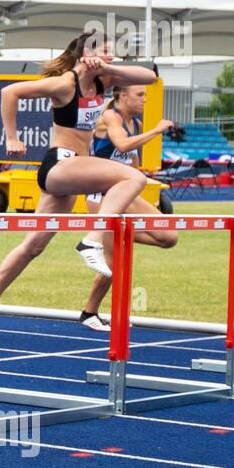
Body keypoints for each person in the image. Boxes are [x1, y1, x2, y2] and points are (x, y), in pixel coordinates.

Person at [0, 31, 159, 338]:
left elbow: (149, 77)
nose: (112, 58)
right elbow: (10, 92)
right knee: (133, 177)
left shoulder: (103, 81)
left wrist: (110, 69)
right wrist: (12, 136)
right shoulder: (66, 83)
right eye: (107, 53)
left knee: (33, 246)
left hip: (75, 170)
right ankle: (92, 239)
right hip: (60, 165)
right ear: (86, 54)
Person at [78, 84, 177, 330]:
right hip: (101, 195)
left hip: (125, 194)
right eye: (140, 95)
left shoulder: (137, 125)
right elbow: (121, 145)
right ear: (123, 96)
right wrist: (157, 130)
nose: (144, 100)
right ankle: (89, 313)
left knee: (168, 235)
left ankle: (121, 236)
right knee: (113, 265)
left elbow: (132, 163)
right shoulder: (110, 117)